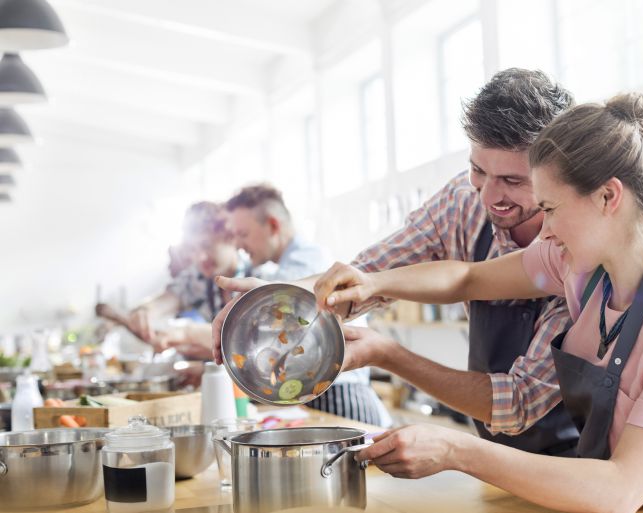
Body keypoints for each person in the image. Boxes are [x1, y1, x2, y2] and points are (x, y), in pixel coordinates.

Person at [313, 93, 643, 513]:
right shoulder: (580, 265)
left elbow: (619, 488)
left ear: (607, 197)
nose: (546, 229)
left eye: (551, 208)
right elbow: (467, 277)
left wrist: (456, 449)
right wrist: (372, 282)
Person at [213, 68, 578, 455]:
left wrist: (387, 353)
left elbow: (517, 404)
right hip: (497, 455)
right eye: (478, 170)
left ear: (556, 172)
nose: (489, 196)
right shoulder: (462, 201)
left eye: (513, 181)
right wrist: (278, 298)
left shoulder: (576, 250)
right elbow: (373, 272)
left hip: (572, 462)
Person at [224, 184, 391, 426]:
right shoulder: (286, 263)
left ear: (272, 226)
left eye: (243, 234)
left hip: (340, 395)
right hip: (318, 394)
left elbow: (271, 322)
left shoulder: (306, 260)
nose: (238, 244)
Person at [129, 201, 252, 358]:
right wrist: (144, 310)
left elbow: (245, 339)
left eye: (206, 245)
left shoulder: (260, 276)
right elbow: (167, 299)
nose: (200, 257)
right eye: (193, 249)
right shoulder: (197, 279)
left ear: (229, 237)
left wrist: (188, 332)